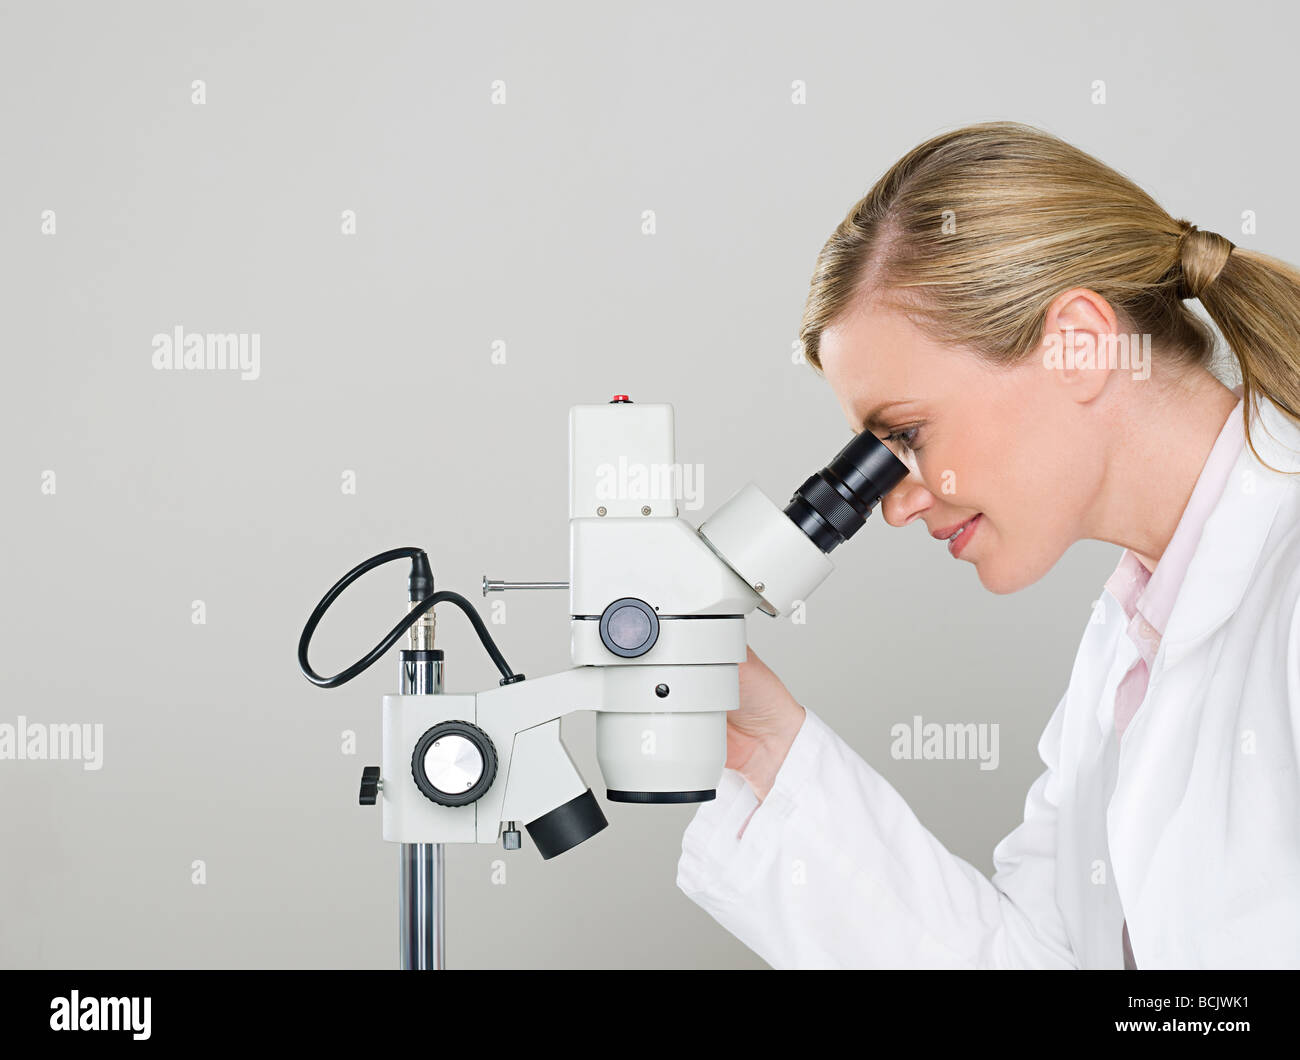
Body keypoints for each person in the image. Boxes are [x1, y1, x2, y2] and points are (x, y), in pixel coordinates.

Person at [676, 121, 1300, 969]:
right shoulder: (1133, 638)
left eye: (905, 434)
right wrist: (768, 752)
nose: (892, 506)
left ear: (1078, 345)